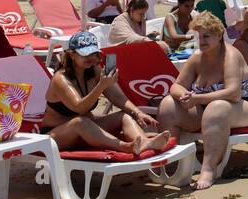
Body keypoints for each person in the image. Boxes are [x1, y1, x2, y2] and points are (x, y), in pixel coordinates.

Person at [157, 12, 248, 190]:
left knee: (216, 108)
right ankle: (172, 159)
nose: (201, 41)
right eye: (198, 36)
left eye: (206, 36)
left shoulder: (230, 55)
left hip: (245, 106)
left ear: (219, 35)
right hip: (206, 108)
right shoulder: (197, 57)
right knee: (168, 104)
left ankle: (209, 169)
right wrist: (184, 96)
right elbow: (176, 85)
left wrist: (197, 98)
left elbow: (233, 93)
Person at [40, 31, 171, 154]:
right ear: (72, 55)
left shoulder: (94, 69)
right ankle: (124, 147)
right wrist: (101, 86)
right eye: (85, 54)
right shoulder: (60, 78)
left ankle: (143, 142)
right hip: (56, 136)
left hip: (88, 130)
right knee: (80, 122)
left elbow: (116, 97)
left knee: (124, 115)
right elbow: (79, 108)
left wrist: (138, 112)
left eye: (93, 53)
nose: (90, 58)